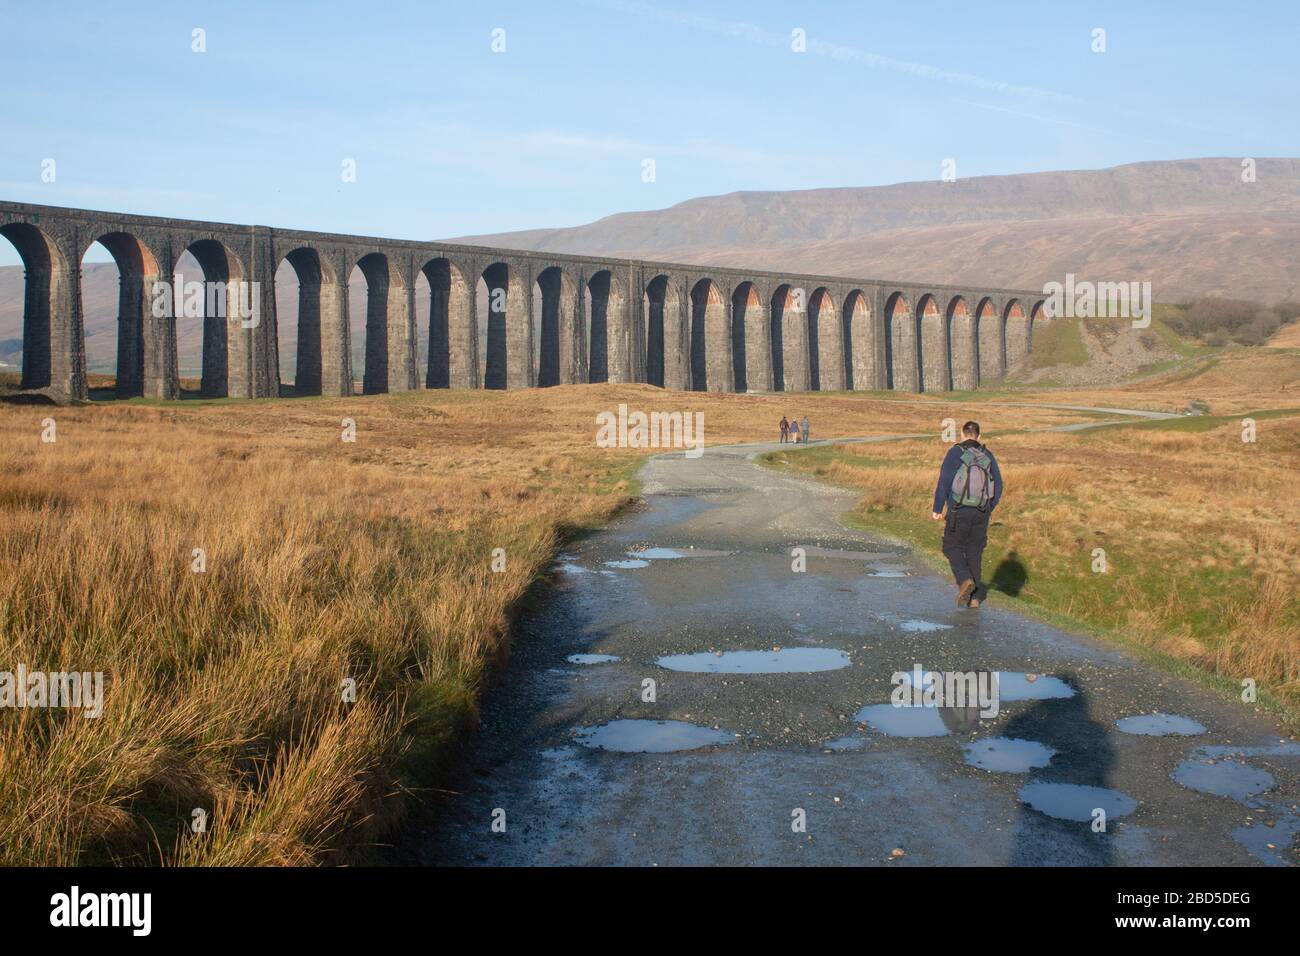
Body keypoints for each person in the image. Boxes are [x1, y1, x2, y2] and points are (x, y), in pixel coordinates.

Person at [931, 421, 1003, 608]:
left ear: (962, 435)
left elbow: (944, 482)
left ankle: (964, 580)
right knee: (974, 552)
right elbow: (999, 486)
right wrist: (988, 508)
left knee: (951, 547)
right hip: (981, 511)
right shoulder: (988, 455)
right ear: (979, 436)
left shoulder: (955, 452)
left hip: (958, 510)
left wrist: (938, 509)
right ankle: (976, 598)